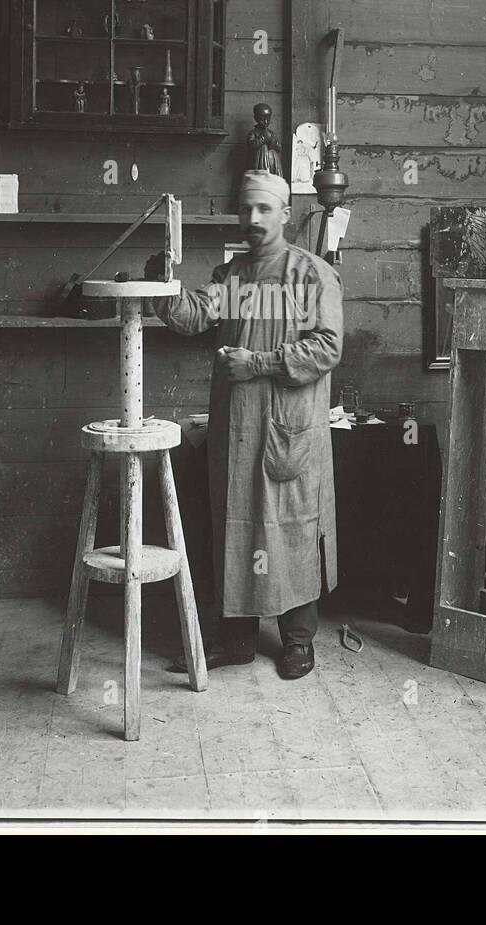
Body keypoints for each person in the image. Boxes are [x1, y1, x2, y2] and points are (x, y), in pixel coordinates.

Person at [147, 170, 342, 680]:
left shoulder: (311, 275)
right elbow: (193, 317)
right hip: (237, 432)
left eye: (264, 209)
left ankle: (299, 641)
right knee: (235, 528)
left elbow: (327, 347)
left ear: (284, 213)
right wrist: (160, 283)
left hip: (288, 431)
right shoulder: (233, 277)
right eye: (246, 209)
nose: (253, 219)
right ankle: (236, 640)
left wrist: (258, 363)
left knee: (290, 532)